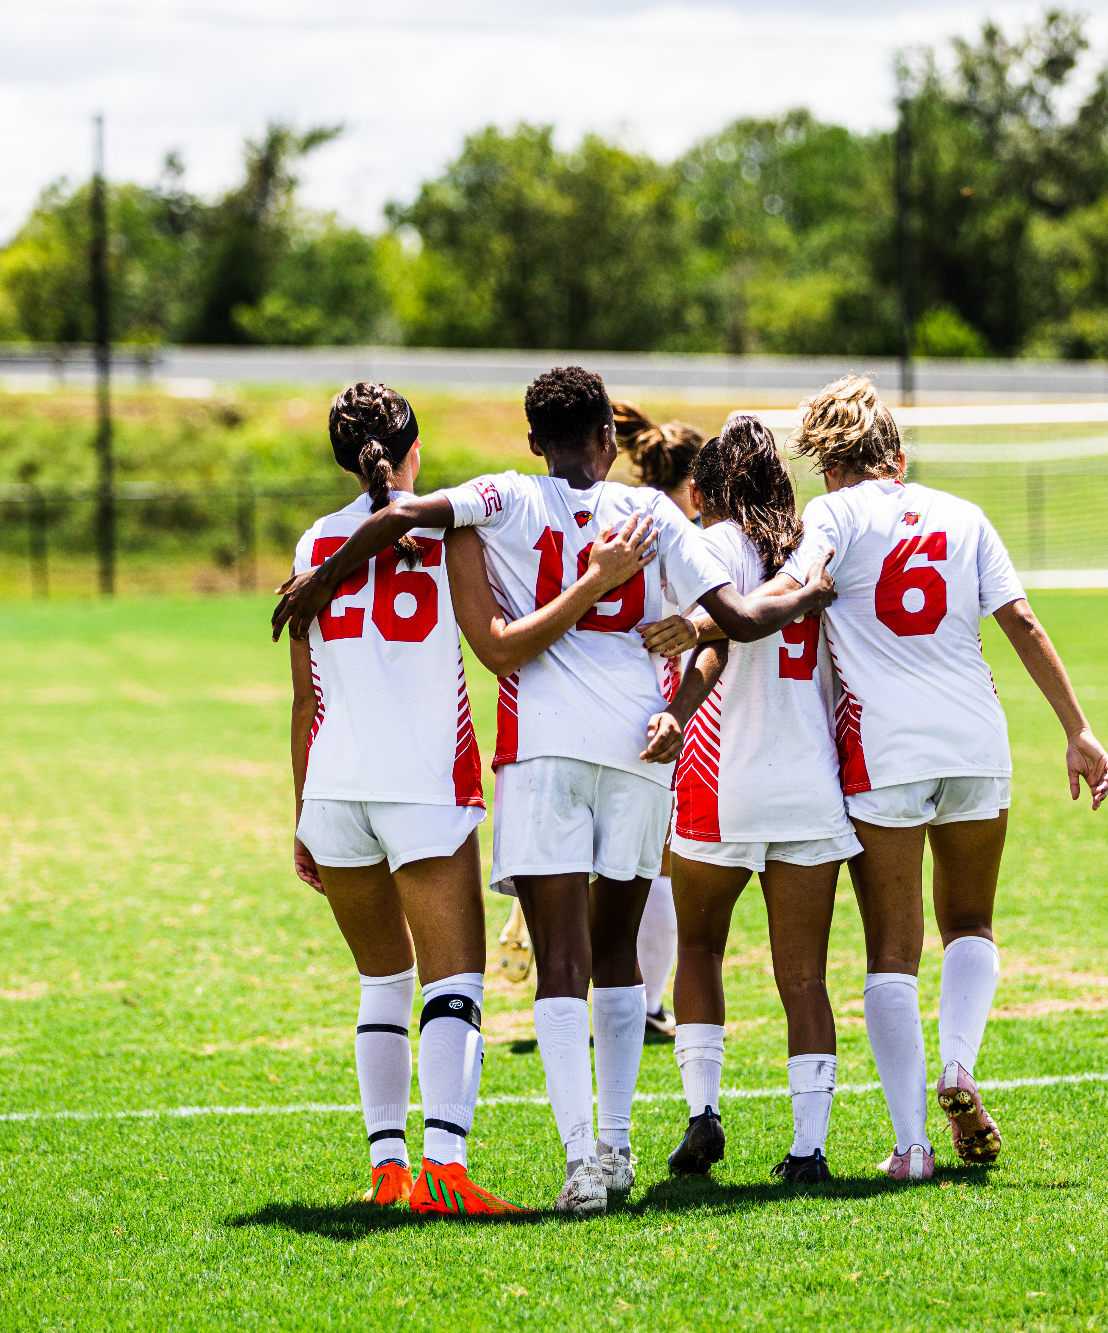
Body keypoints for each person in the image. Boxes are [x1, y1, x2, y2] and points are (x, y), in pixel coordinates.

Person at [273, 366, 835, 1215]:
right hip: (631, 747)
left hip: (519, 754)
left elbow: (395, 534)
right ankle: (600, 1148)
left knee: (539, 965)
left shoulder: (490, 501)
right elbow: (738, 624)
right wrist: (807, 591)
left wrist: (320, 580)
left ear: (533, 441)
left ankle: (569, 1159)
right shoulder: (651, 515)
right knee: (611, 962)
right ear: (610, 437)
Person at [276, 380, 658, 1216]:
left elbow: (305, 699)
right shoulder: (452, 528)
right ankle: (444, 1171)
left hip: (335, 786)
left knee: (383, 981)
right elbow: (494, 640)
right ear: (414, 449)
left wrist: (302, 812)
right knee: (455, 982)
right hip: (425, 783)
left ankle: (386, 1170)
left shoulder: (312, 544)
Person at [771, 374, 1108, 1181]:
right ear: (896, 453)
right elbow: (1021, 620)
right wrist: (1078, 728)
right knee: (971, 922)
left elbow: (792, 591)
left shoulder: (830, 514)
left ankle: (912, 1146)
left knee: (892, 952)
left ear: (831, 462)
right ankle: (959, 1064)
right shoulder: (965, 514)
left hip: (884, 753)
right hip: (975, 743)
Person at [635, 415, 857, 1186]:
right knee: (806, 976)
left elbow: (715, 636)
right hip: (807, 782)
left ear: (711, 484)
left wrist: (679, 706)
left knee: (700, 947)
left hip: (720, 782)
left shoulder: (714, 541)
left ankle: (703, 1112)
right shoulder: (818, 545)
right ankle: (809, 1147)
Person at [613, 400, 708, 1041]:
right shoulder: (685, 534)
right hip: (664, 706)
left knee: (613, 864)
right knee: (662, 863)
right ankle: (646, 1004)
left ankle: (615, 998)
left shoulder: (610, 518)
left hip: (593, 699)